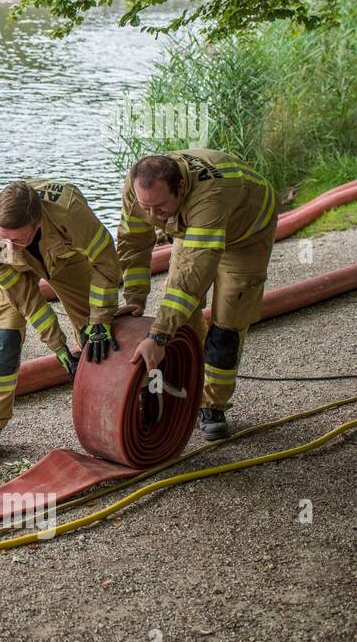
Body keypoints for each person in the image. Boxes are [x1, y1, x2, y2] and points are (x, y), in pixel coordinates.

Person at [115, 149, 278, 440]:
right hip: (195, 227)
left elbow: (192, 275)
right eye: (146, 208)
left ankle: (212, 406)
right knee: (182, 314)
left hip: (246, 235)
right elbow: (134, 243)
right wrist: (135, 299)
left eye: (160, 208)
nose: (152, 216)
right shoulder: (139, 186)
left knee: (227, 327)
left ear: (181, 188)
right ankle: (190, 381)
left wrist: (158, 336)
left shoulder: (210, 197)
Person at [0, 180, 122, 461]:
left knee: (98, 338)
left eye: (17, 239)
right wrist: (58, 346)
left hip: (66, 261)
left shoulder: (71, 212)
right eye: (5, 239)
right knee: (3, 342)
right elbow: (25, 298)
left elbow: (105, 262)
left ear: (37, 222)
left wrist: (100, 320)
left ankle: (116, 415)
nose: (9, 245)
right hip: (14, 276)